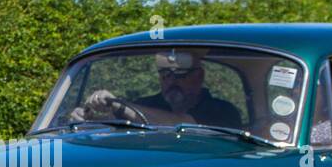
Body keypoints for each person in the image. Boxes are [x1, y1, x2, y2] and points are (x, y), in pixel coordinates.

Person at [75, 49, 243, 128]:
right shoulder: (145, 104)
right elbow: (116, 128)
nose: (171, 81)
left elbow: (183, 124)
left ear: (198, 77)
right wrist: (90, 119)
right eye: (165, 75)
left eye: (179, 75)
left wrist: (122, 105)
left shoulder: (222, 111)